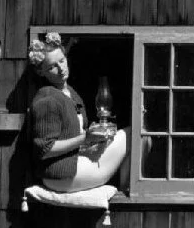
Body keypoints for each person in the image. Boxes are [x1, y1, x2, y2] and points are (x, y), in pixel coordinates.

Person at [28, 33, 129, 194]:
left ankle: (126, 188)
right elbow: (45, 150)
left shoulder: (70, 93)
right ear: (41, 72)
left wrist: (93, 139)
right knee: (130, 135)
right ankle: (127, 191)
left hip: (74, 164)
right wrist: (85, 138)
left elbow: (73, 135)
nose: (61, 68)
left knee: (129, 135)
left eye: (62, 60)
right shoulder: (47, 98)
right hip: (61, 175)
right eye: (52, 66)